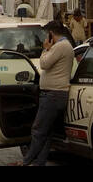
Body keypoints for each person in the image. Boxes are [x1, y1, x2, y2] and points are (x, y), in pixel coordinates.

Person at [18, 20, 72, 166]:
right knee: (46, 133)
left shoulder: (60, 46)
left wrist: (46, 49)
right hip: (54, 94)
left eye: (46, 34)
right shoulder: (64, 46)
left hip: (53, 95)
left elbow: (44, 63)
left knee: (38, 130)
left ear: (51, 34)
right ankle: (39, 162)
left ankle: (27, 161)